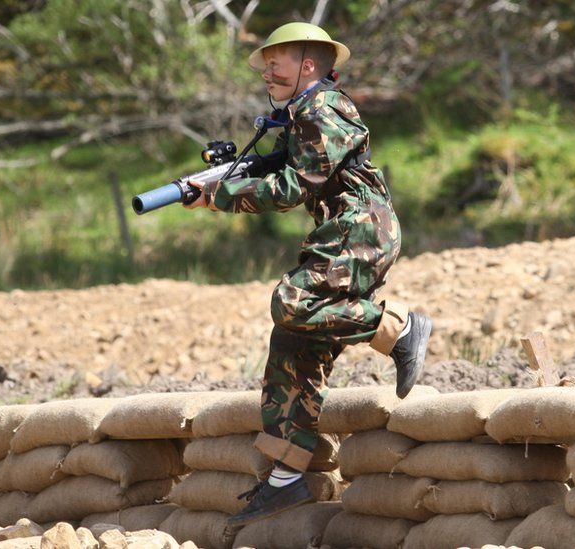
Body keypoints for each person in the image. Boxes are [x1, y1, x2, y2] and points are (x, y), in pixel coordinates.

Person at [183, 22, 432, 527]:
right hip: (338, 232)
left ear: (310, 65)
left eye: (278, 61)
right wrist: (225, 177)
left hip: (359, 228)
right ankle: (286, 476)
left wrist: (220, 195)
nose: (267, 70)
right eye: (266, 63)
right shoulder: (298, 116)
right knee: (292, 345)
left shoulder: (324, 109)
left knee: (292, 302)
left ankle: (398, 329)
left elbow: (298, 183)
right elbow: (284, 168)